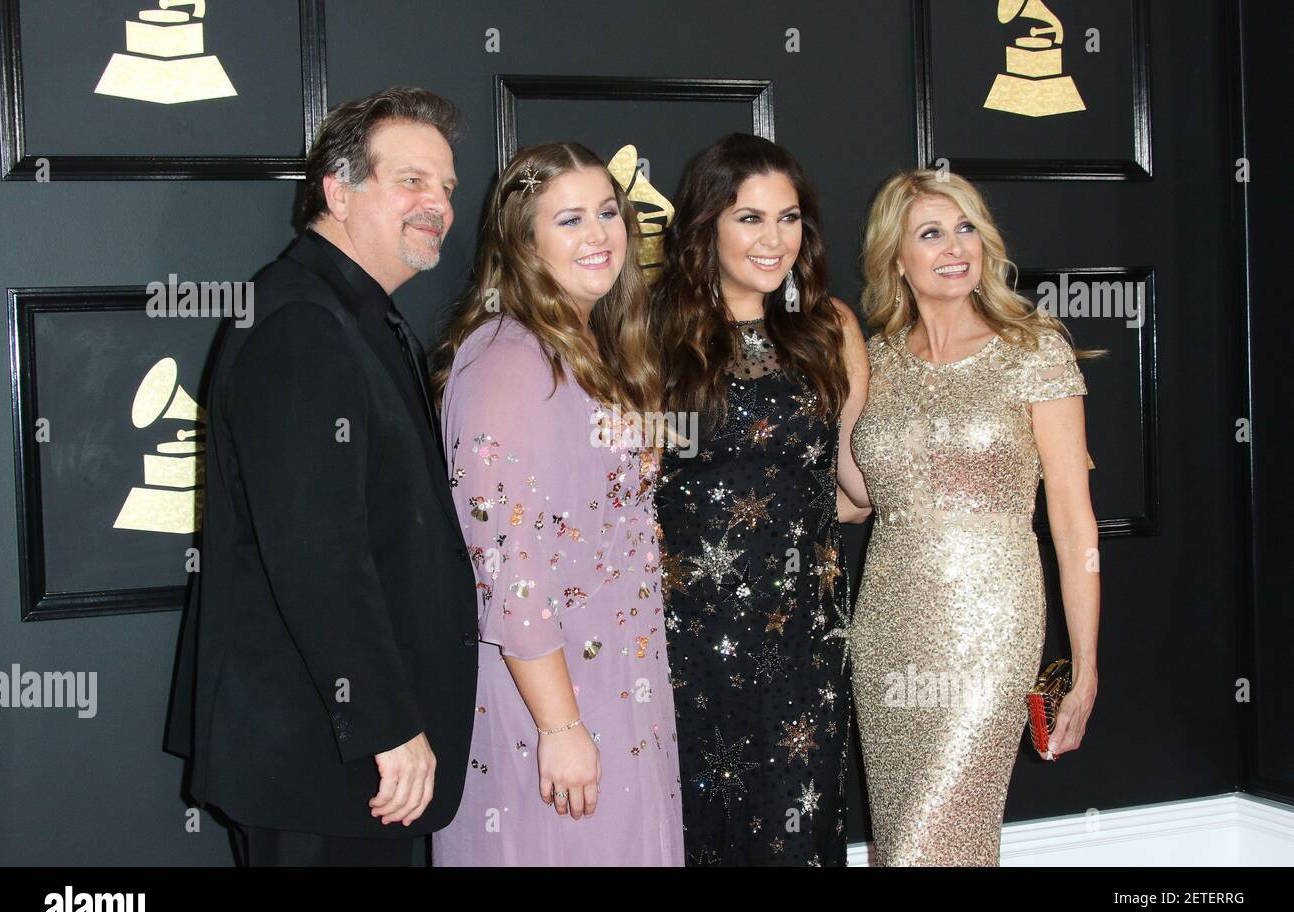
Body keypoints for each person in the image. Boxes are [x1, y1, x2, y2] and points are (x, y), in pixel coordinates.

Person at [165, 87, 478, 866]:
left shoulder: (350, 314)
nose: (437, 202)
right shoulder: (304, 324)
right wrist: (384, 725)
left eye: (445, 185)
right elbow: (317, 555)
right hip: (325, 756)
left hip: (334, 758)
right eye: (410, 180)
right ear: (339, 192)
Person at [428, 142, 684, 866]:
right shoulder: (506, 358)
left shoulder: (592, 347)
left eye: (608, 213)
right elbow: (506, 563)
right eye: (569, 219)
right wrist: (561, 725)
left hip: (617, 679)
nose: (599, 235)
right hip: (550, 691)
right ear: (523, 240)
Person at [847, 168, 1099, 865]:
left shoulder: (1033, 350)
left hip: (990, 625)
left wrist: (1085, 665)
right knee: (901, 839)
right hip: (887, 628)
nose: (956, 246)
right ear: (896, 258)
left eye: (966, 228)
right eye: (931, 233)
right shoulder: (874, 363)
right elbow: (855, 499)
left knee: (935, 831)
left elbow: (1074, 522)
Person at [650, 133, 870, 866]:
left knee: (795, 830)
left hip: (804, 635)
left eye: (789, 217)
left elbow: (852, 487)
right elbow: (626, 490)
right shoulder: (653, 335)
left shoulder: (829, 328)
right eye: (749, 218)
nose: (774, 239)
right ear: (706, 224)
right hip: (686, 636)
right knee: (698, 829)